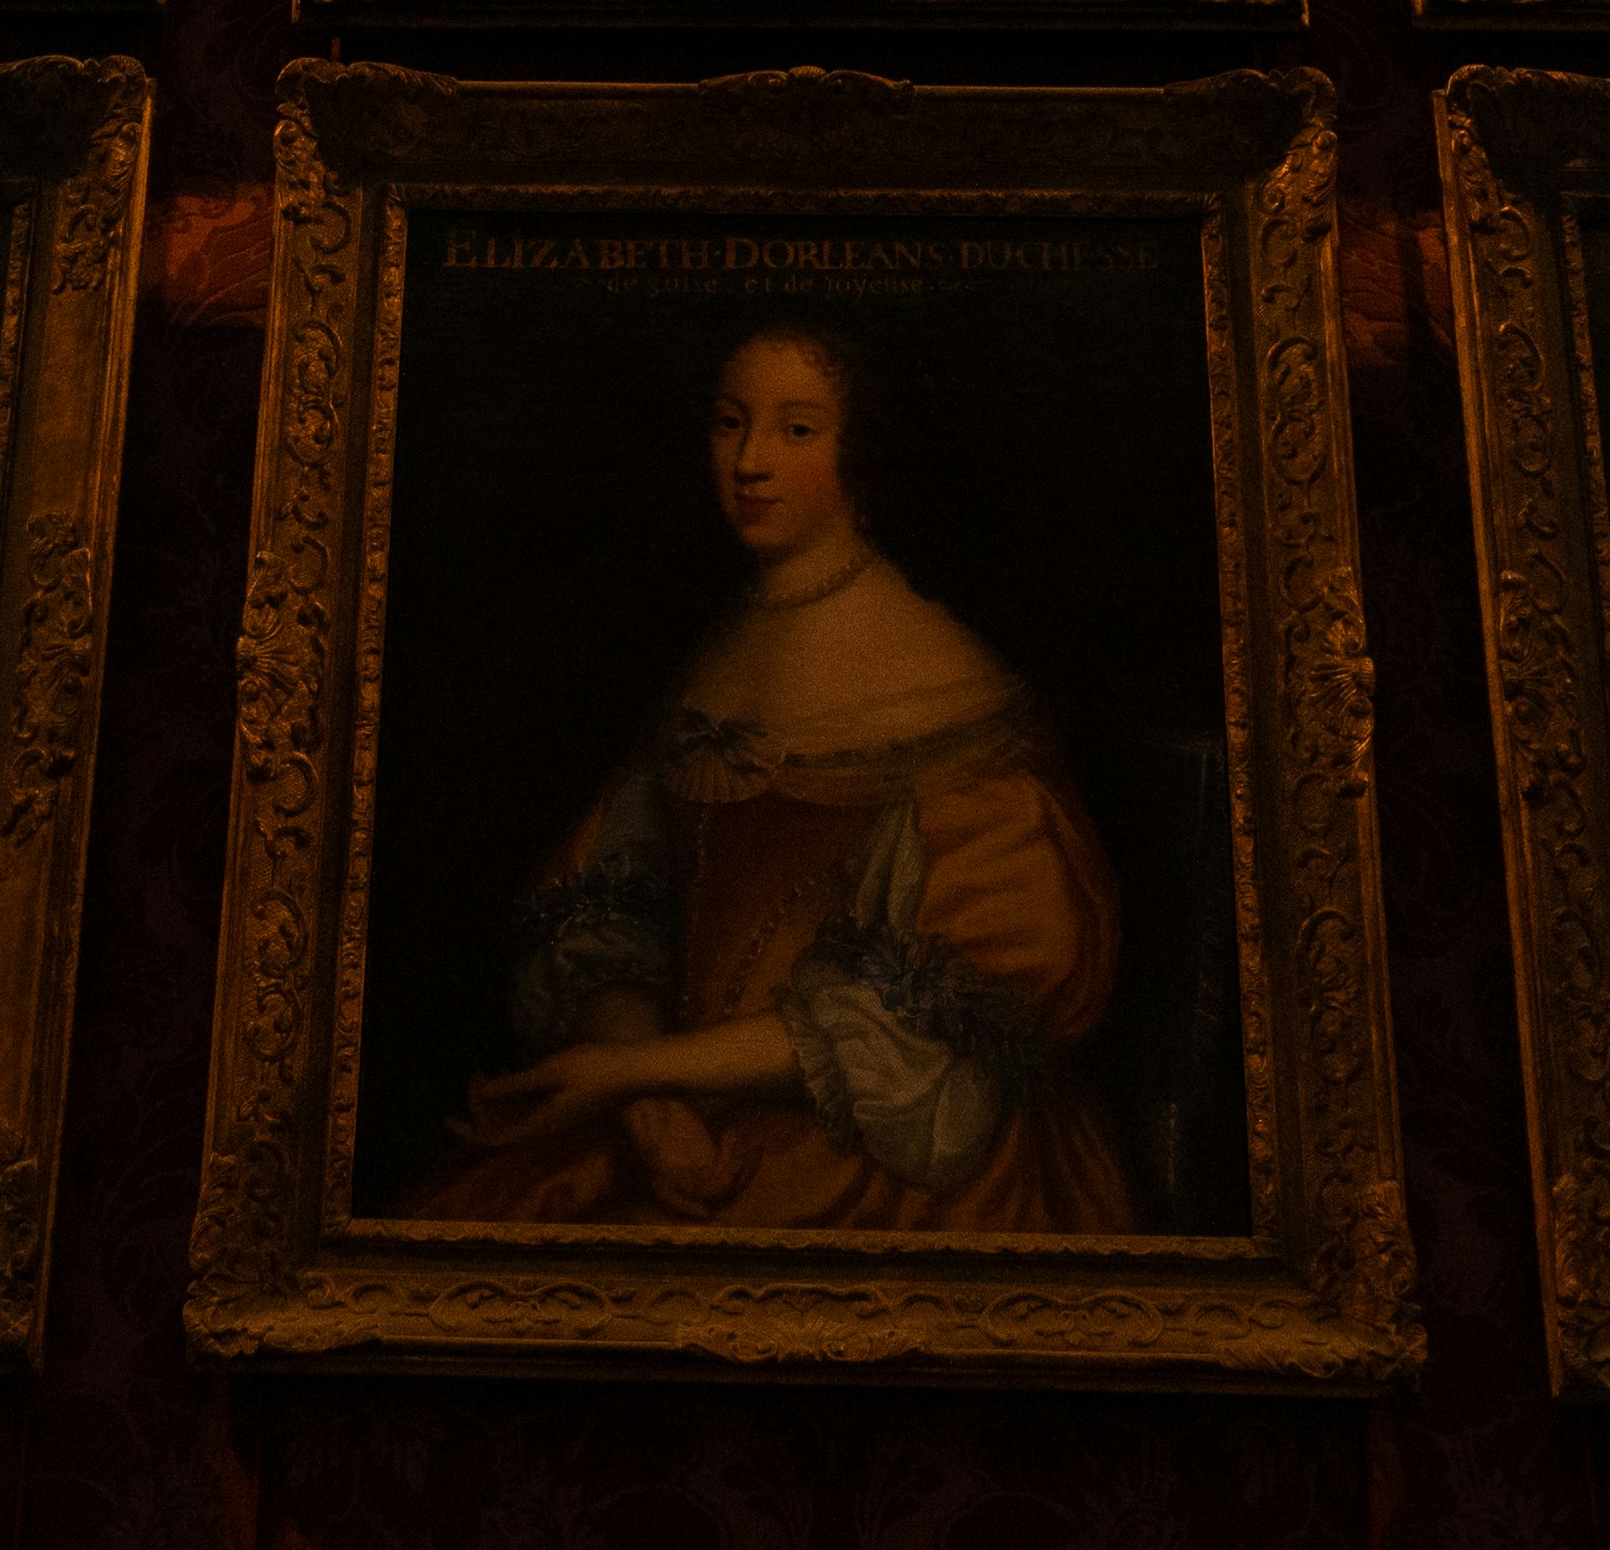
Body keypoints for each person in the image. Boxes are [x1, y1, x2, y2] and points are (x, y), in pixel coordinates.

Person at [410, 326, 1137, 1237]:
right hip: (671, 1101)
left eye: (797, 431)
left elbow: (962, 1009)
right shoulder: (718, 649)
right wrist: (643, 1094)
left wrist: (641, 1076)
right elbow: (607, 906)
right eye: (730, 423)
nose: (749, 461)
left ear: (862, 449)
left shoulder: (949, 695)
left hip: (885, 1147)